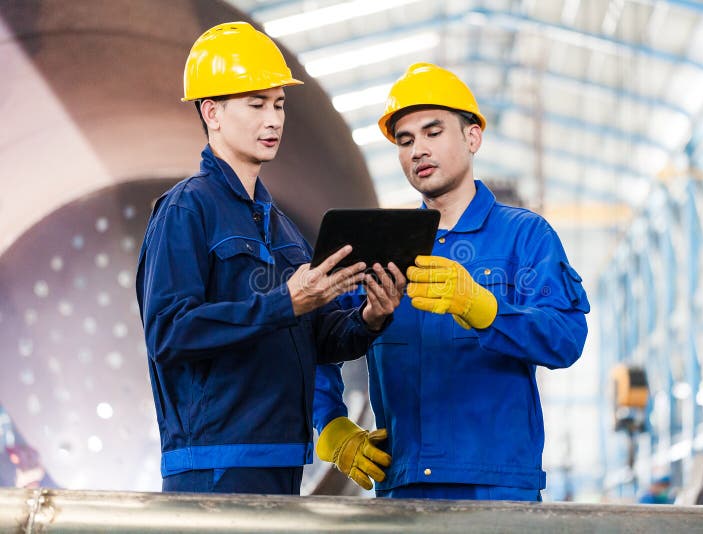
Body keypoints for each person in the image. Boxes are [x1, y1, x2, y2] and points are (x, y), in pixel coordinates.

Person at [136, 22, 405, 495]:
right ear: (212, 112)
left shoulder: (283, 228)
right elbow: (169, 332)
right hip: (212, 464)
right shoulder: (186, 210)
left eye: (279, 105)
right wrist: (285, 302)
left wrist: (368, 317)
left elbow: (316, 337)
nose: (274, 119)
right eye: (256, 104)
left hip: (285, 459)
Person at [314, 63, 589, 501]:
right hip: (402, 490)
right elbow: (316, 337)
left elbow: (567, 337)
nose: (418, 150)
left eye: (433, 131)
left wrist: (484, 309)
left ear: (472, 137)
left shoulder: (525, 236)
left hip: (498, 492)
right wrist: (330, 422)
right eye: (405, 141)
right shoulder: (379, 245)